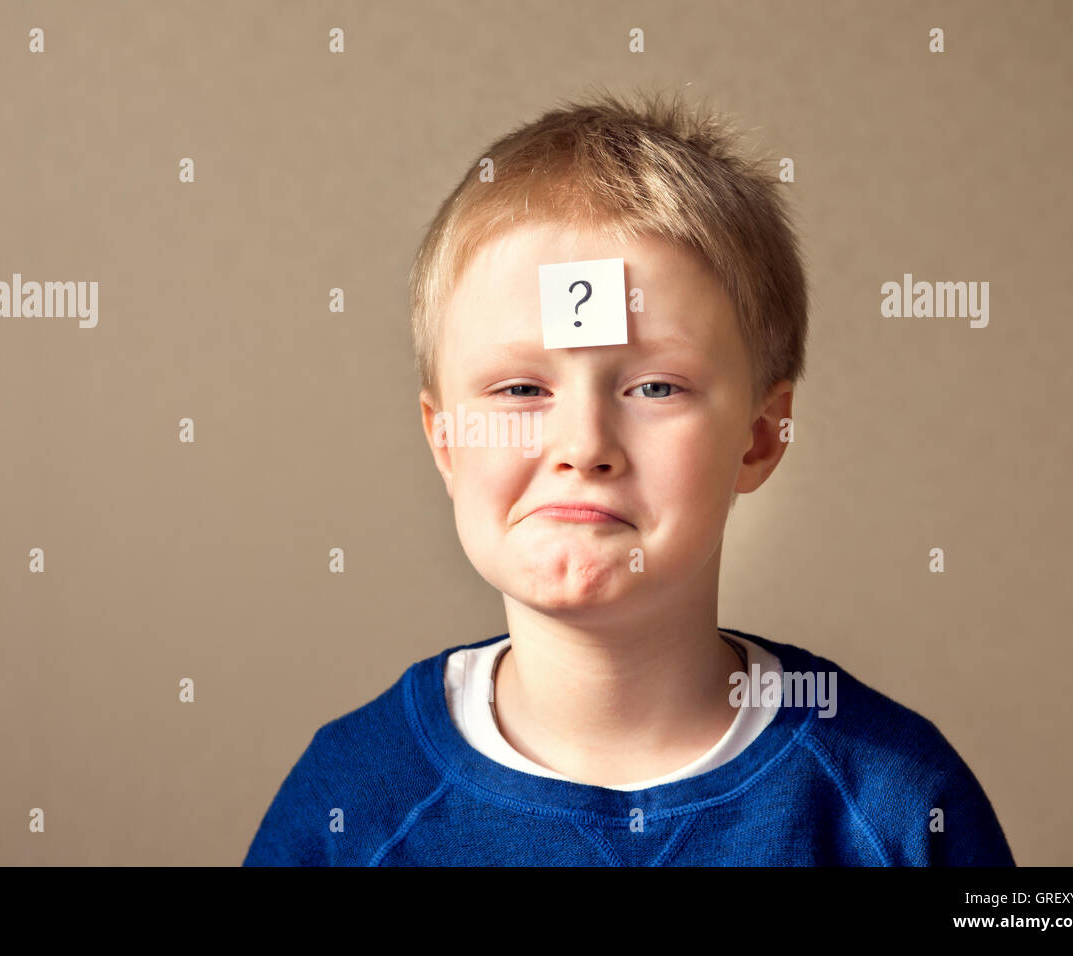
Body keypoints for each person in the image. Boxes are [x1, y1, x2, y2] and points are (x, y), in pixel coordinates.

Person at [243, 87, 1014, 866]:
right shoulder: (351, 803)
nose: (584, 446)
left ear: (759, 437)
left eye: (654, 388)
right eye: (520, 389)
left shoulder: (903, 805)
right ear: (445, 441)